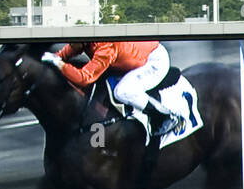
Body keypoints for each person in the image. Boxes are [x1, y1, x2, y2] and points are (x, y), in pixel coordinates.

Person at [41, 41, 188, 136]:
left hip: (154, 60)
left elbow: (84, 78)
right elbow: (69, 51)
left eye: (73, 42)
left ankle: (165, 116)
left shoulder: (105, 48)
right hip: (136, 55)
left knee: (122, 91)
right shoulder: (84, 41)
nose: (70, 45)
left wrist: (60, 65)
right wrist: (55, 57)